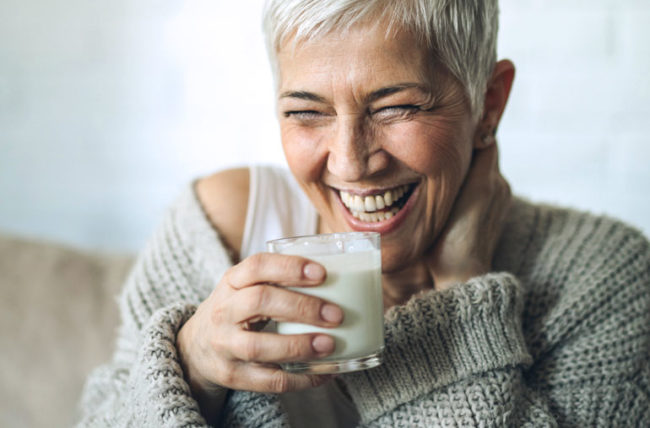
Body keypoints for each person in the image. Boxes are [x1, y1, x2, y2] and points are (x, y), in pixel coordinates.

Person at [77, 0, 650, 426]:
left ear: (488, 102)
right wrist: (192, 367)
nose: (351, 163)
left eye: (397, 107)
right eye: (307, 112)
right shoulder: (222, 227)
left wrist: (460, 300)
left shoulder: (604, 279)